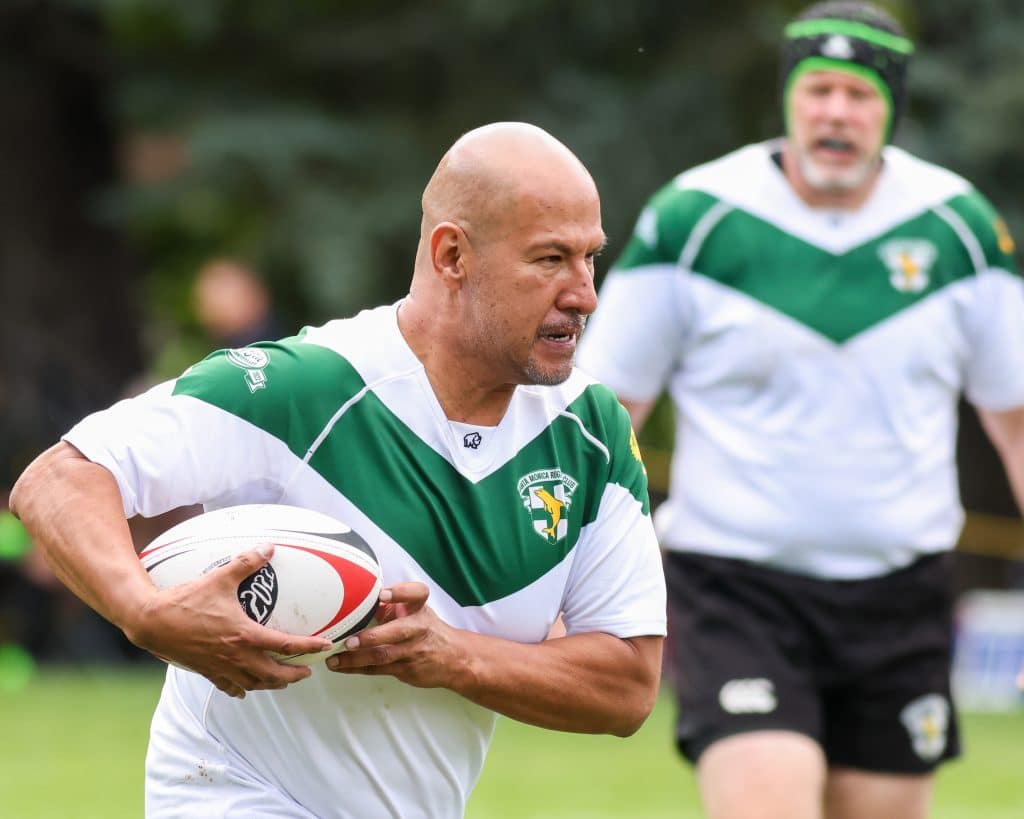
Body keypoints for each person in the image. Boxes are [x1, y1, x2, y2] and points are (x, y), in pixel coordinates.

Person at [10, 122, 667, 818]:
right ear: (452, 255)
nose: (585, 293)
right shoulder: (306, 388)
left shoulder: (590, 432)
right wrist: (145, 611)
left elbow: (626, 685)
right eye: (550, 259)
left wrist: (454, 655)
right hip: (232, 792)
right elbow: (57, 478)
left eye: (589, 258)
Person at [578, 3, 1024, 819]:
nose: (835, 113)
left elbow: (1017, 423)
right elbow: (603, 415)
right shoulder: (695, 219)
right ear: (788, 98)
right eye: (817, 90)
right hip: (738, 587)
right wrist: (561, 569)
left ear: (891, 108)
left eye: (859, 96)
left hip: (904, 594)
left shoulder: (959, 231)